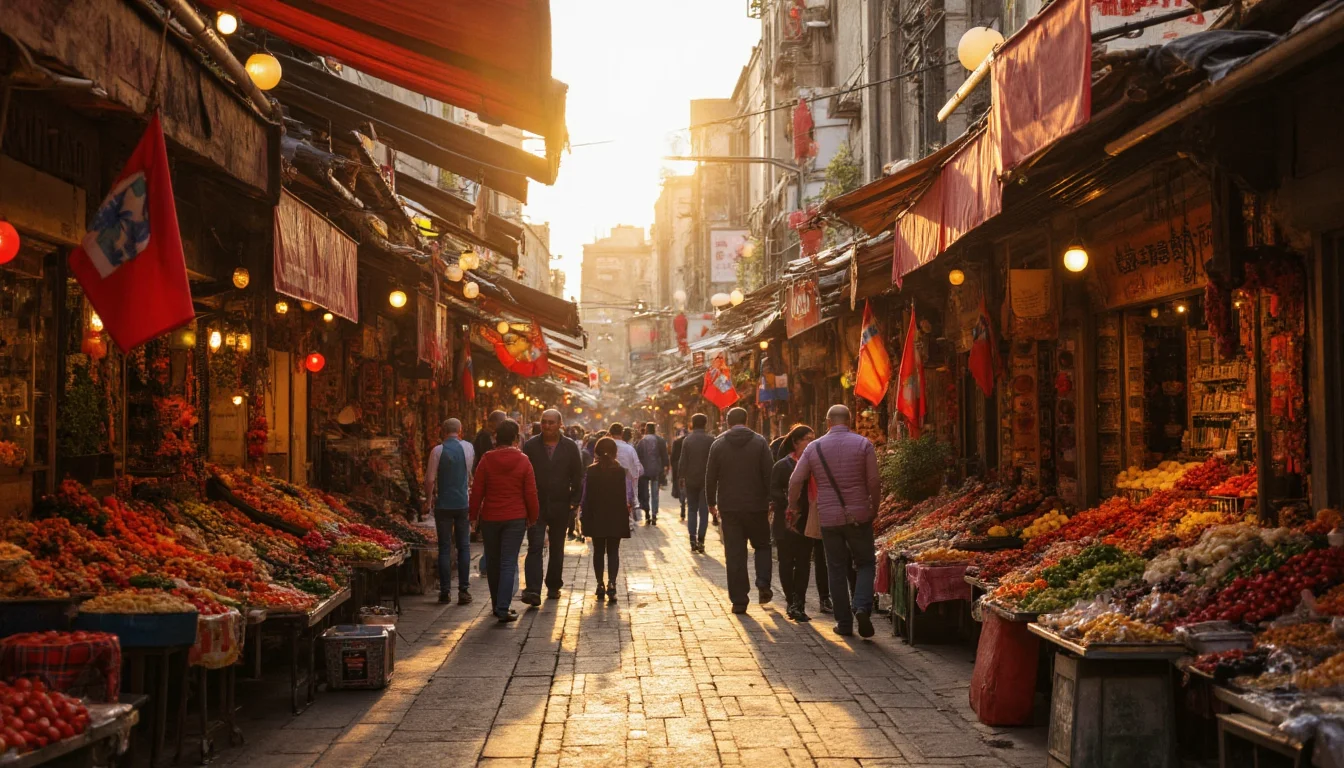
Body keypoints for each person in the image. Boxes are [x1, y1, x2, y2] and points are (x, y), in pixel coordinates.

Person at [788, 404, 880, 638]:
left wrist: (793, 506)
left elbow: (795, 480)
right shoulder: (863, 444)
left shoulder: (814, 447)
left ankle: (845, 623)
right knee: (866, 563)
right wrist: (874, 508)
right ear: (849, 421)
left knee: (836, 568)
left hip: (828, 518)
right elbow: (874, 482)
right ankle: (861, 607)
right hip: (859, 514)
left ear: (827, 423)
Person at [705, 407, 774, 614]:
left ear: (727, 422)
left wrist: (711, 503)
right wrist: (771, 499)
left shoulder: (718, 444)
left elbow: (710, 476)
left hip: (729, 508)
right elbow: (768, 473)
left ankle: (739, 600)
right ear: (747, 420)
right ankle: (763, 583)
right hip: (757, 506)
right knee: (762, 545)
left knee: (735, 553)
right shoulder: (760, 442)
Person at [468, 420, 539, 623]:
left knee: (493, 561)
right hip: (515, 518)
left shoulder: (487, 459)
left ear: (495, 437)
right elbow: (530, 493)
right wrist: (533, 517)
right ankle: (502, 607)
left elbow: (477, 491)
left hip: (491, 517)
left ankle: (496, 605)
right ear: (516, 438)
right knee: (508, 561)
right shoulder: (523, 460)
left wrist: (473, 516)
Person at [521, 409, 585, 603]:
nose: (547, 426)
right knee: (535, 546)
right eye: (544, 422)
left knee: (557, 547)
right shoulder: (531, 446)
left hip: (561, 504)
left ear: (560, 424)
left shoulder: (570, 447)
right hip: (536, 504)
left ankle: (554, 585)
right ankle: (533, 589)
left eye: (551, 422)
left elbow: (577, 474)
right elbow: (524, 475)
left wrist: (574, 501)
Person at [423, 418, 476, 605]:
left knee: (444, 548)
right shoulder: (468, 448)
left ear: (442, 431)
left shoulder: (437, 451)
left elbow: (430, 480)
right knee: (464, 547)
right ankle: (464, 590)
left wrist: (428, 502)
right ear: (460, 430)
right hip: (463, 503)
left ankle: (445, 591)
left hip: (443, 505)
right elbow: (469, 476)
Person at [580, 437, 635, 604]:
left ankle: (600, 585)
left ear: (596, 451)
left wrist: (582, 512)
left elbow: (585, 495)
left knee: (598, 551)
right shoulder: (621, 471)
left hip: (596, 515)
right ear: (615, 452)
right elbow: (629, 495)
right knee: (613, 551)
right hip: (616, 514)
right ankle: (612, 583)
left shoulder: (591, 471)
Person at [770, 425, 815, 622]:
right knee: (786, 563)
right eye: (806, 438)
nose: (810, 441)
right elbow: (773, 491)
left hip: (806, 521)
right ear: (795, 442)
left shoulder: (814, 464)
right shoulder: (782, 465)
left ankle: (800, 603)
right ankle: (790, 601)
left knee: (804, 563)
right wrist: (790, 505)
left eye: (813, 438)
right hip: (785, 522)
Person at [678, 413, 714, 552]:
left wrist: (681, 478)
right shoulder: (711, 440)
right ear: (705, 424)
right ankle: (701, 540)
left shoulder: (687, 440)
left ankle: (692, 539)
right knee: (704, 511)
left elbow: (683, 461)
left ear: (692, 424)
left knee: (692, 509)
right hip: (706, 480)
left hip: (691, 479)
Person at [608, 422, 645, 522]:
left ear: (610, 433)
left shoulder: (605, 447)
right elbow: (638, 469)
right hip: (625, 485)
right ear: (622, 433)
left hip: (607, 484)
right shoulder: (629, 449)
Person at [634, 422, 669, 526]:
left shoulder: (641, 441)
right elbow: (664, 455)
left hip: (644, 471)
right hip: (656, 470)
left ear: (646, 429)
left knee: (645, 493)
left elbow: (638, 456)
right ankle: (654, 514)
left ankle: (647, 513)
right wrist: (665, 466)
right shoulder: (660, 440)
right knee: (655, 493)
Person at [670, 427, 687, 521]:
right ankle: (685, 504)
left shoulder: (676, 442)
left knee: (681, 488)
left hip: (679, 469)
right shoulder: (690, 441)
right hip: (689, 468)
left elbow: (672, 458)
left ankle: (683, 505)